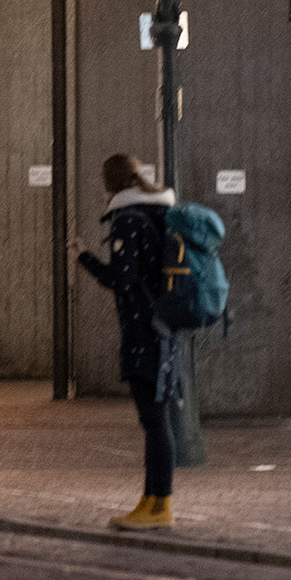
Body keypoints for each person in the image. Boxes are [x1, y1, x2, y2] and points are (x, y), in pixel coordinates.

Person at [75, 153, 179, 532]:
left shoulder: (127, 219)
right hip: (164, 325)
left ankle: (158, 505)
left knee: (154, 421)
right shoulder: (160, 211)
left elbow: (121, 278)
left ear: (109, 183)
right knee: (157, 418)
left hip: (142, 330)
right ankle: (152, 500)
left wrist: (84, 257)